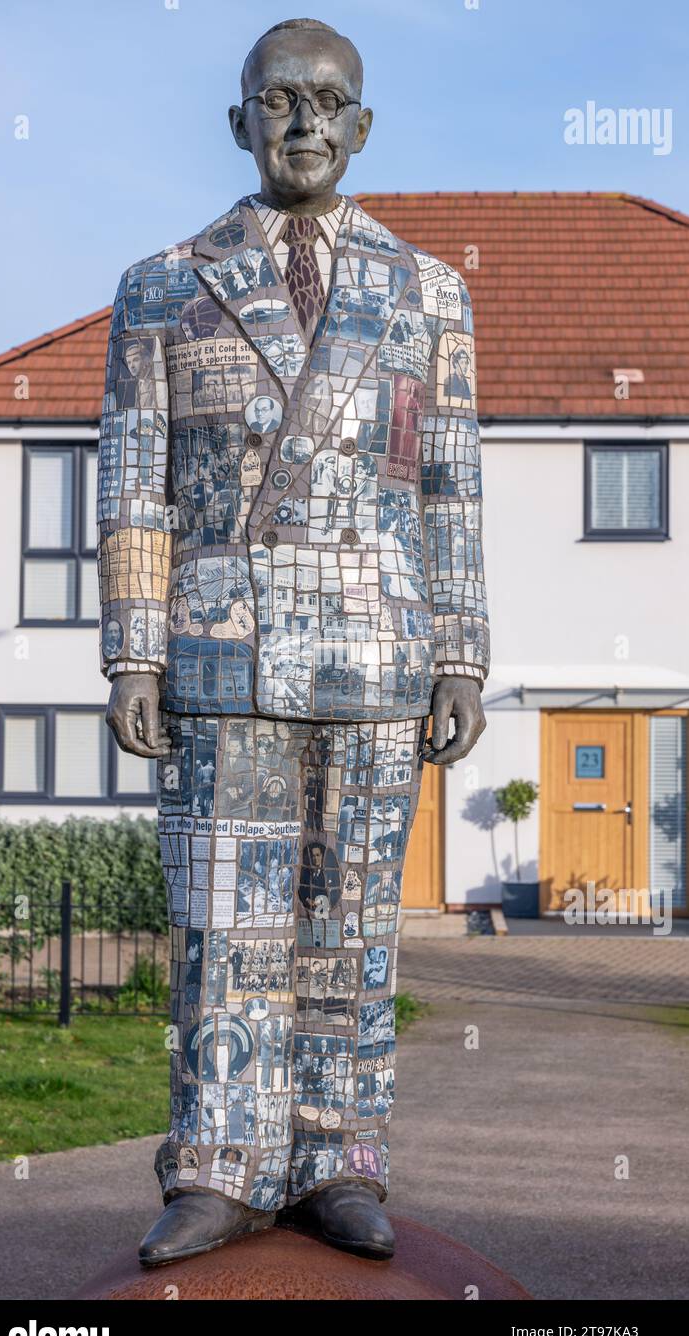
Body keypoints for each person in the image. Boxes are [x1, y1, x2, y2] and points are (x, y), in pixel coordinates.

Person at [100, 17, 488, 1267]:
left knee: (354, 926)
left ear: (362, 126)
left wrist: (462, 654)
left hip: (378, 655)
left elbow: (448, 488)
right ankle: (218, 1163)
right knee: (225, 927)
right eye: (279, 101)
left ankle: (337, 1156)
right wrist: (132, 652)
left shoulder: (427, 293)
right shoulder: (164, 284)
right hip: (222, 655)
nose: (305, 123)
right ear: (240, 121)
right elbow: (133, 488)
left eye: (330, 102)